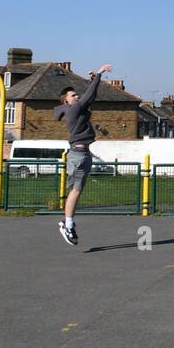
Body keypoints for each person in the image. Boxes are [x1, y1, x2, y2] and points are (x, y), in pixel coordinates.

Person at [53, 63, 112, 246]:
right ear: (66, 101)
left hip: (84, 153)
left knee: (77, 191)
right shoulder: (73, 109)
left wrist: (93, 79)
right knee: (75, 191)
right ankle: (67, 224)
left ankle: (68, 222)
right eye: (73, 95)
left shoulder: (76, 109)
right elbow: (88, 96)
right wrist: (99, 74)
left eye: (76, 94)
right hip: (78, 155)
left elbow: (90, 96)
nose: (76, 96)